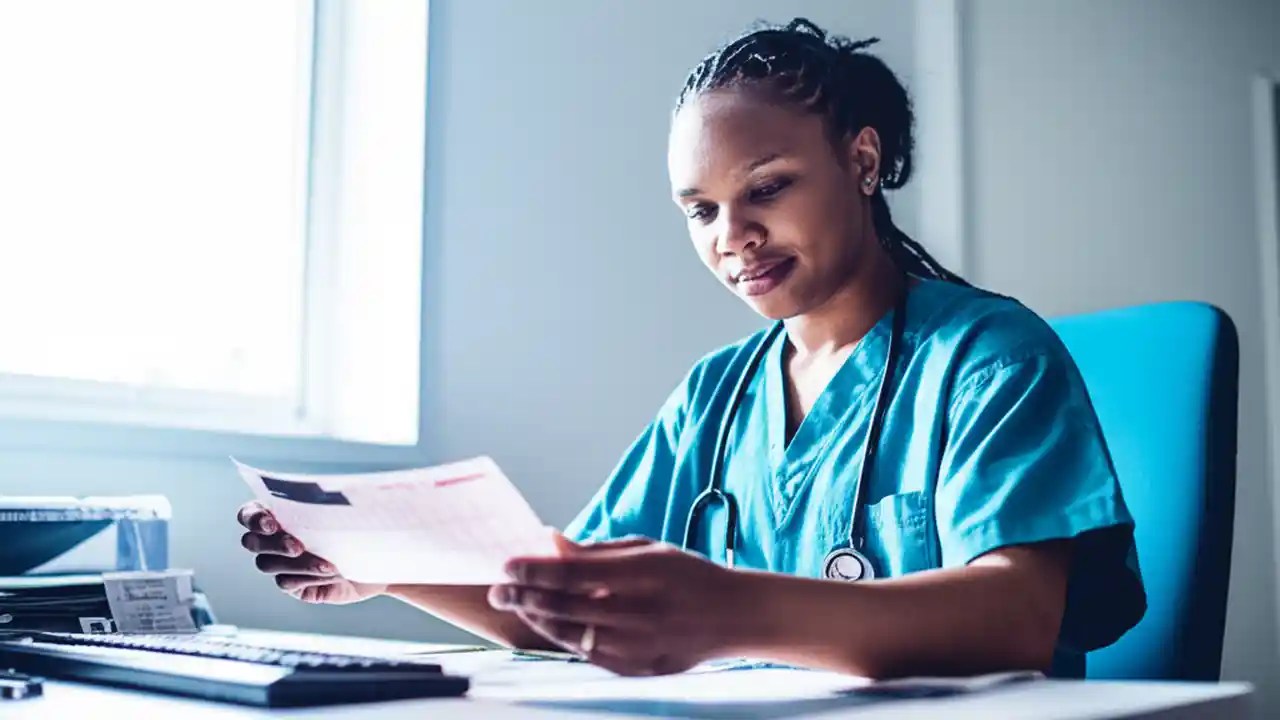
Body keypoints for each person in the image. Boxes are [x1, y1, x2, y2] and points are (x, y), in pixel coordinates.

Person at [236, 18, 1144, 679]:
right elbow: (563, 607)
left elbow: (1019, 619)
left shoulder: (990, 357)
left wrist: (728, 611)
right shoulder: (716, 395)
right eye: (700, 211)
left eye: (768, 188)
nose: (732, 235)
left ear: (863, 163)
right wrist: (387, 563)